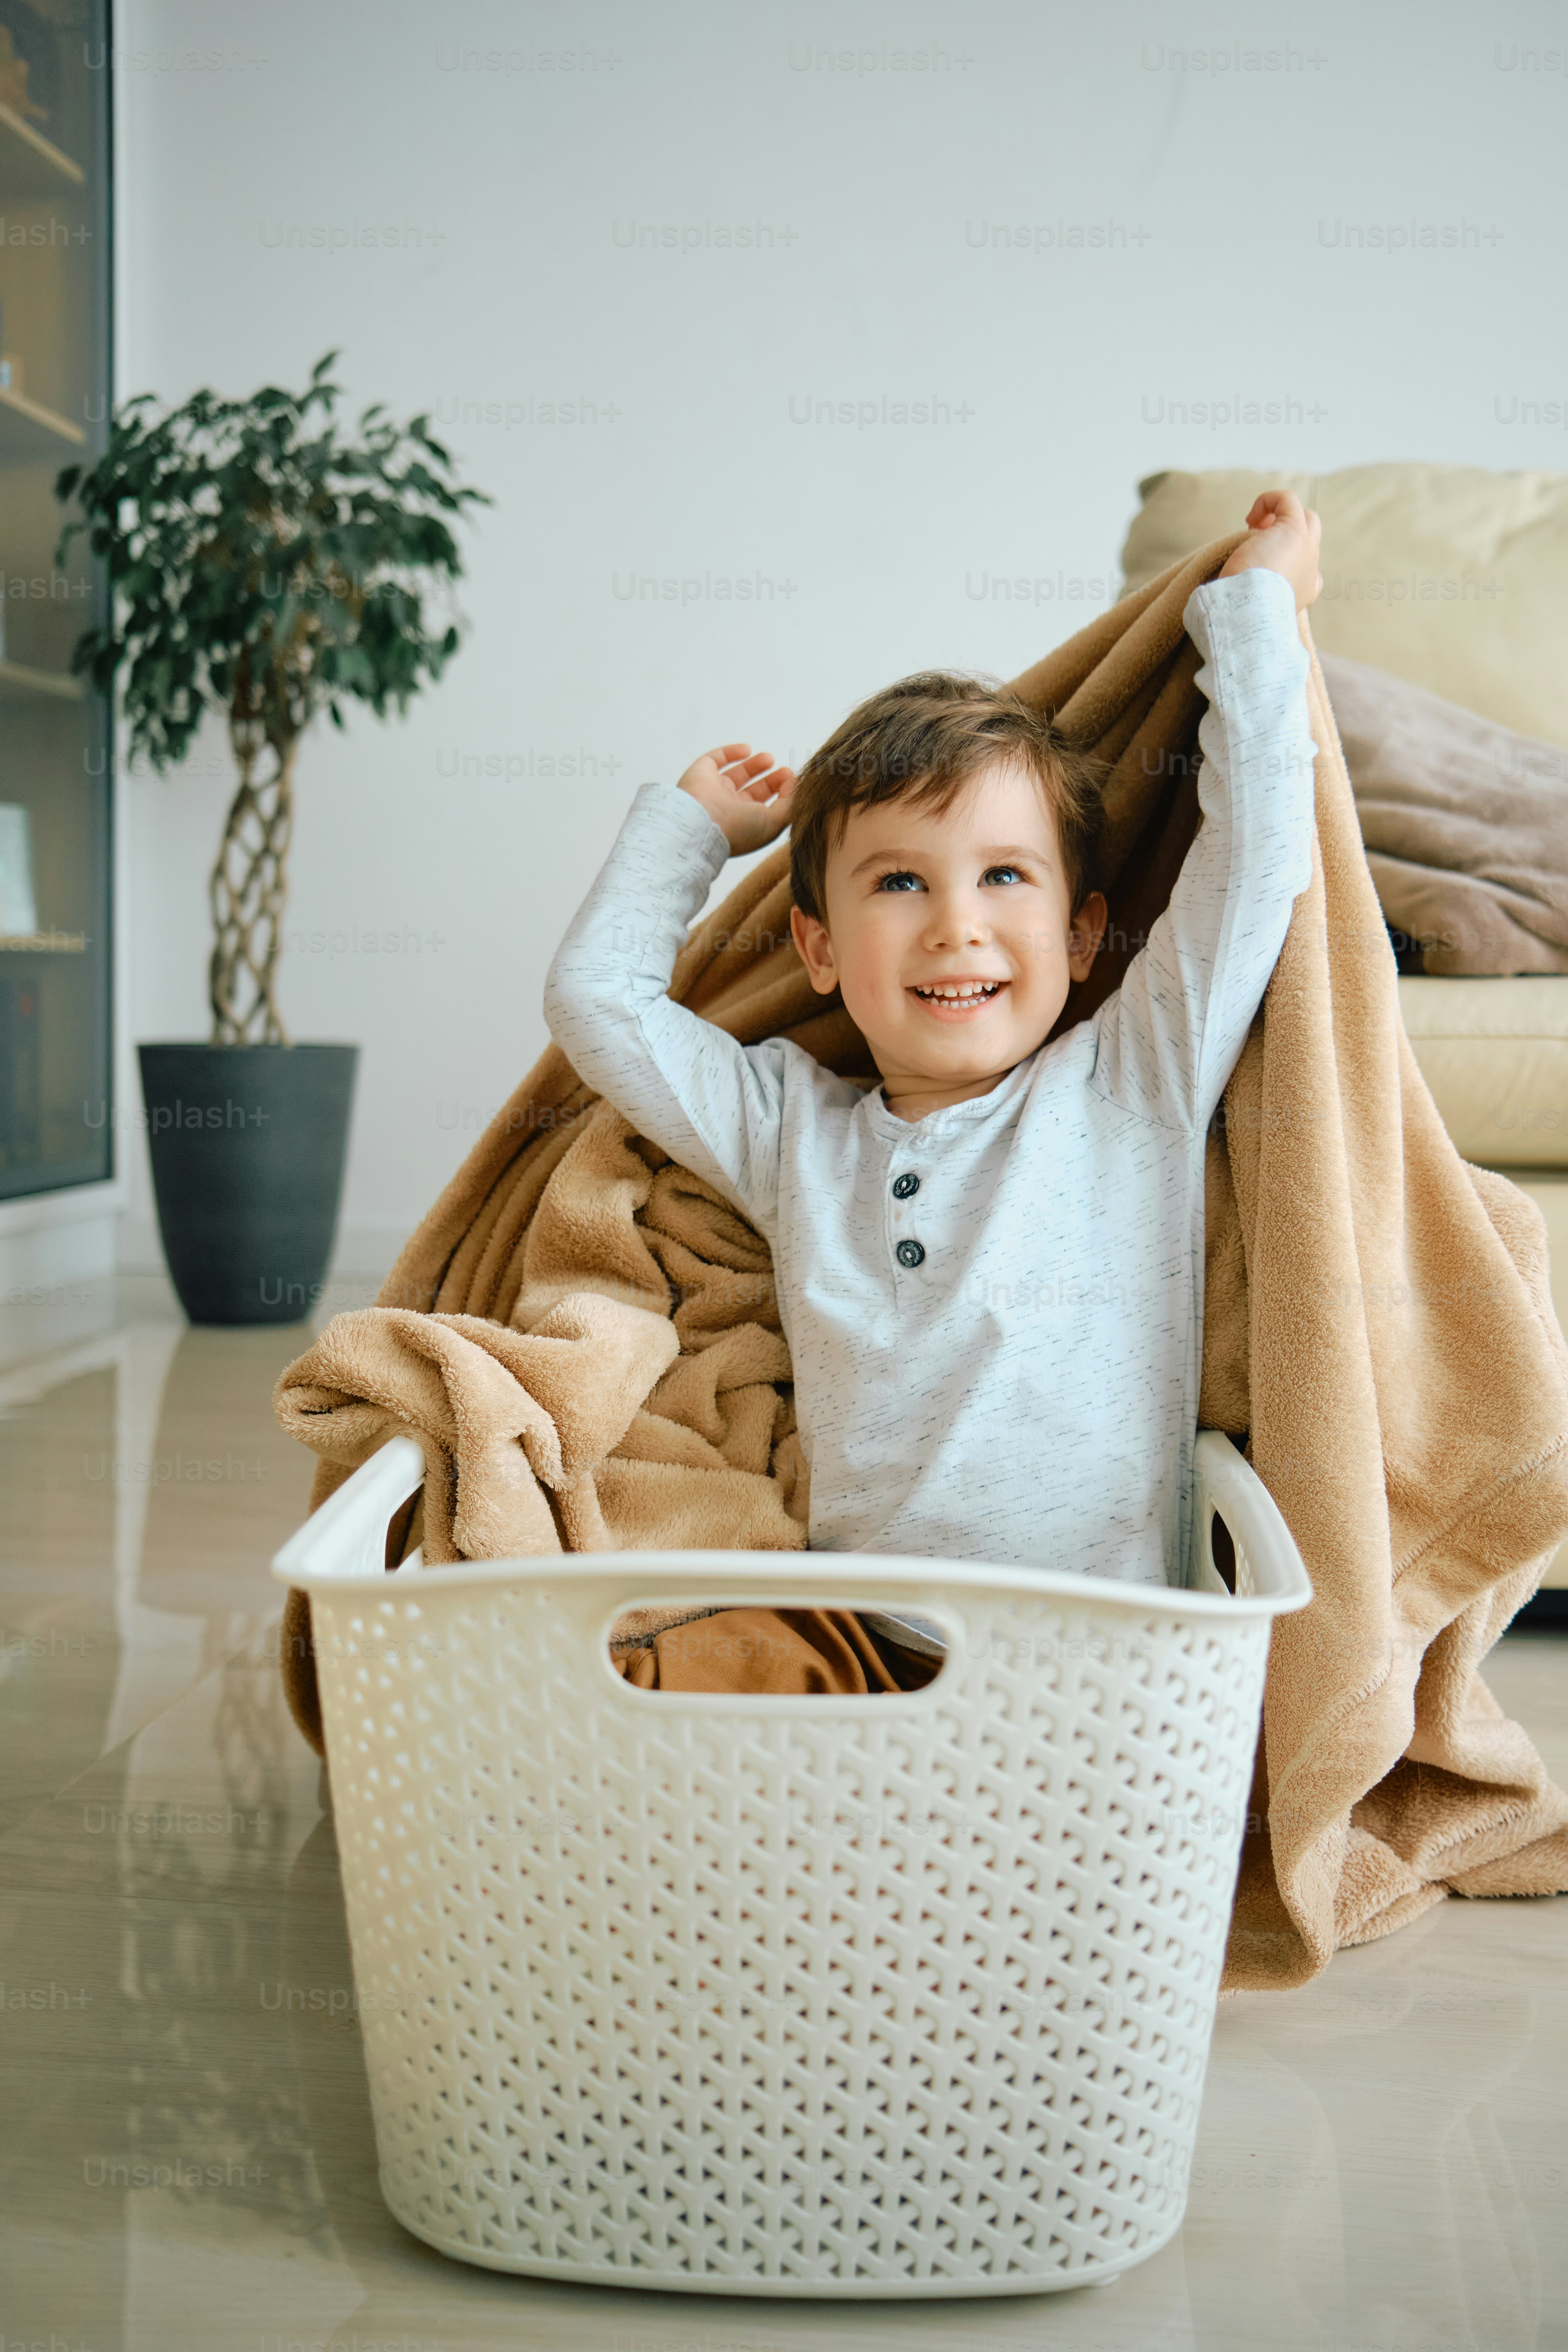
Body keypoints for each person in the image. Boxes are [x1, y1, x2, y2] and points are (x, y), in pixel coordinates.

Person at [545, 492, 1322, 1587]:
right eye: (901, 881)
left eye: (1004, 875)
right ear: (819, 952)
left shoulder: (1131, 1084)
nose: (958, 922)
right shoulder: (789, 1134)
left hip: (1107, 1648)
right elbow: (599, 1001)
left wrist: (1259, 612)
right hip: (869, 1648)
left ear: (1083, 933)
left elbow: (1255, 863)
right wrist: (694, 832)